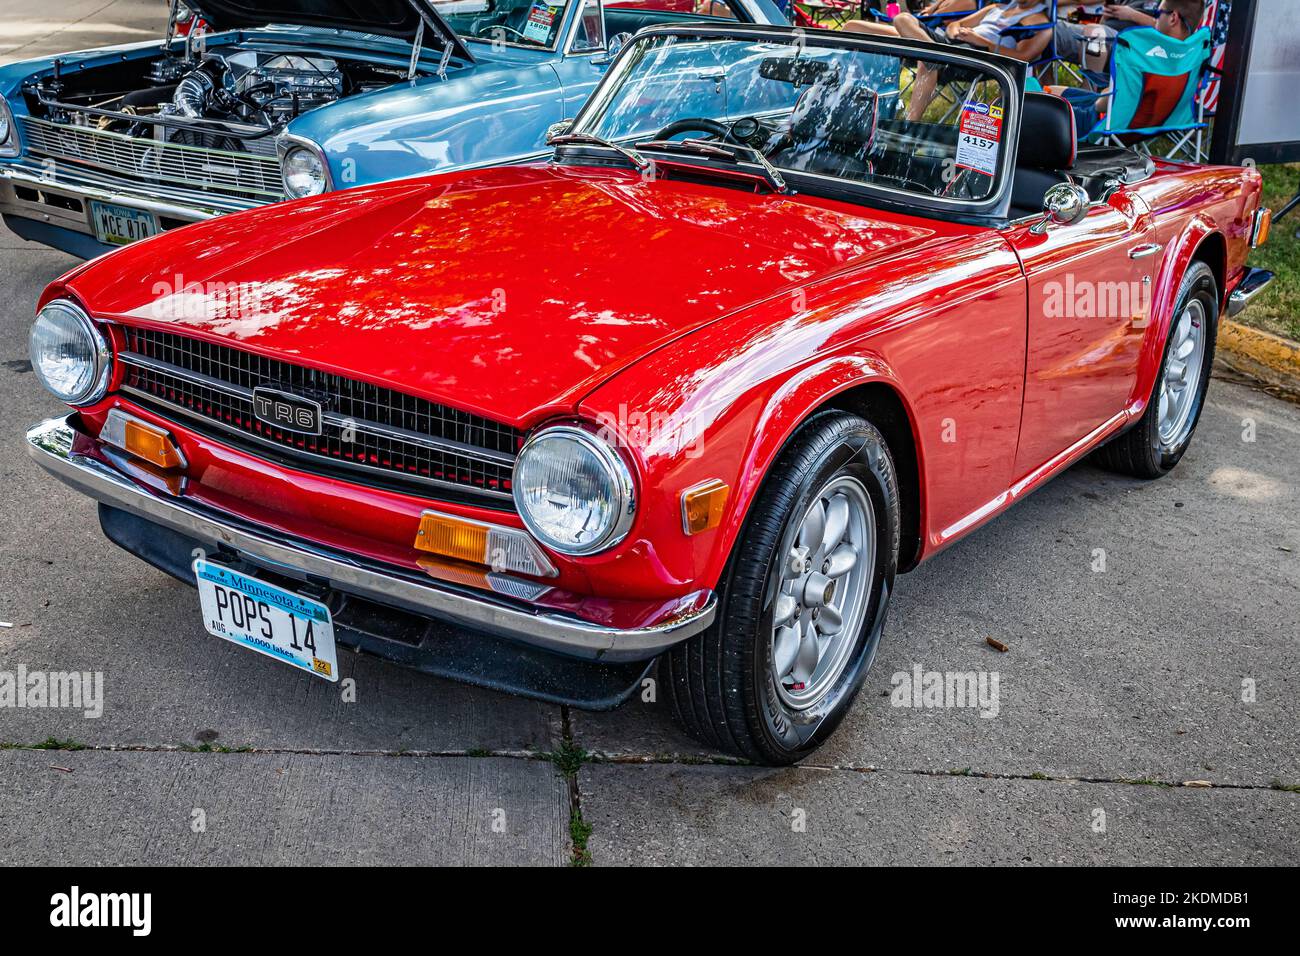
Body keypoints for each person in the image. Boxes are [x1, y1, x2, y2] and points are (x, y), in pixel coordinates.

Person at [843, 1, 1050, 119]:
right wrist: (957, 30)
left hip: (975, 56)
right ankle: (848, 101)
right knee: (855, 27)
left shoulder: (1041, 23)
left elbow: (1024, 58)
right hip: (948, 45)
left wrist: (982, 41)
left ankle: (908, 126)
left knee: (922, 54)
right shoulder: (996, 8)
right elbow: (955, 24)